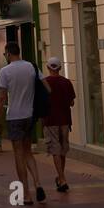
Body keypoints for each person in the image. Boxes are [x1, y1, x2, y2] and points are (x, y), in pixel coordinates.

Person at [0, 43, 46, 205]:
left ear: (9, 54)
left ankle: (26, 194)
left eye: (5, 54)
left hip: (14, 117)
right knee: (28, 152)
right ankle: (38, 183)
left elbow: (2, 97)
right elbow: (47, 87)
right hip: (30, 116)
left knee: (18, 154)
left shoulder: (5, 71)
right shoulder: (31, 67)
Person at [43, 58, 76, 193]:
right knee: (62, 149)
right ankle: (61, 178)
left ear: (48, 67)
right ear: (60, 68)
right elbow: (72, 103)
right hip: (65, 120)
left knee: (55, 149)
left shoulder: (44, 83)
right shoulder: (66, 82)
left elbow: (41, 102)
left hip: (50, 120)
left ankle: (62, 179)